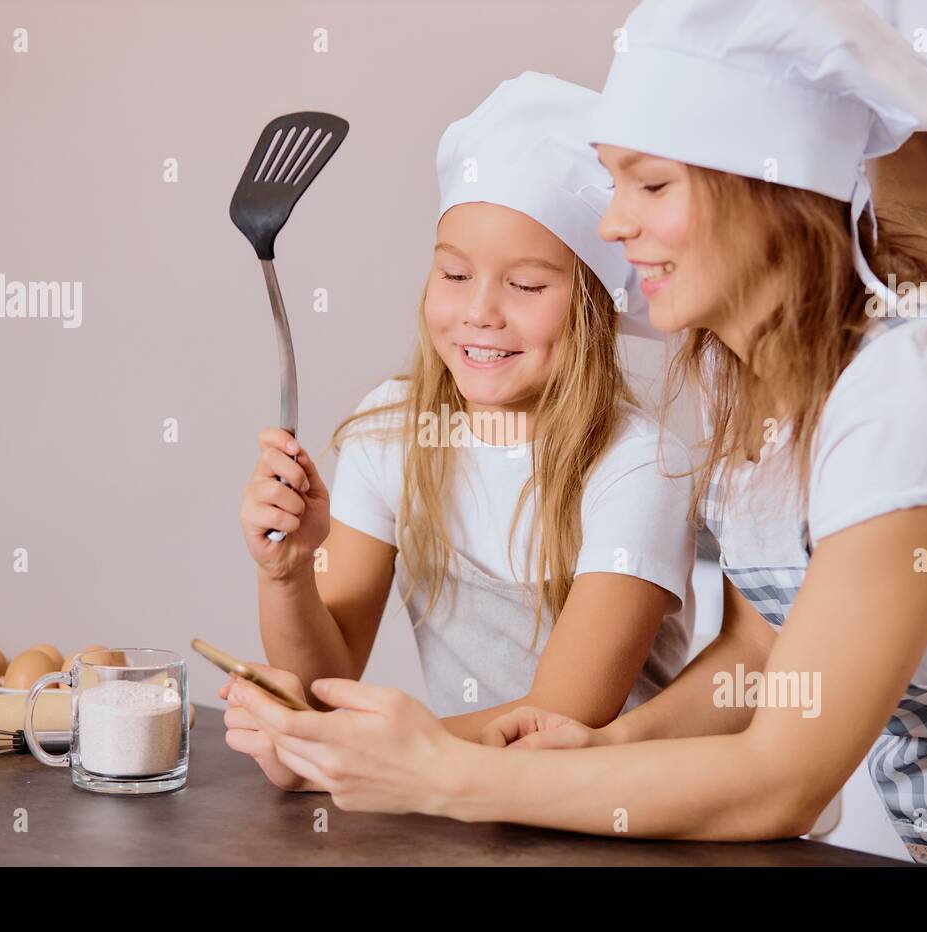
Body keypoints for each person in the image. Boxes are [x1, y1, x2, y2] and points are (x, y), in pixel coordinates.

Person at [224, 0, 927, 867]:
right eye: (615, 183)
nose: (615, 224)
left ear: (769, 189)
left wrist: (453, 776)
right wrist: (594, 746)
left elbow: (783, 784)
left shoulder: (921, 391)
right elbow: (760, 652)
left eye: (651, 184)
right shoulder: (747, 384)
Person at [229, 72, 696, 792]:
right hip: (462, 810)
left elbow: (561, 720)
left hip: (618, 818)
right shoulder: (391, 432)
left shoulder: (639, 466)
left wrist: (337, 751)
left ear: (595, 307)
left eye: (527, 285)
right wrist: (286, 575)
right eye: (454, 273)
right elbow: (326, 675)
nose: (480, 311)